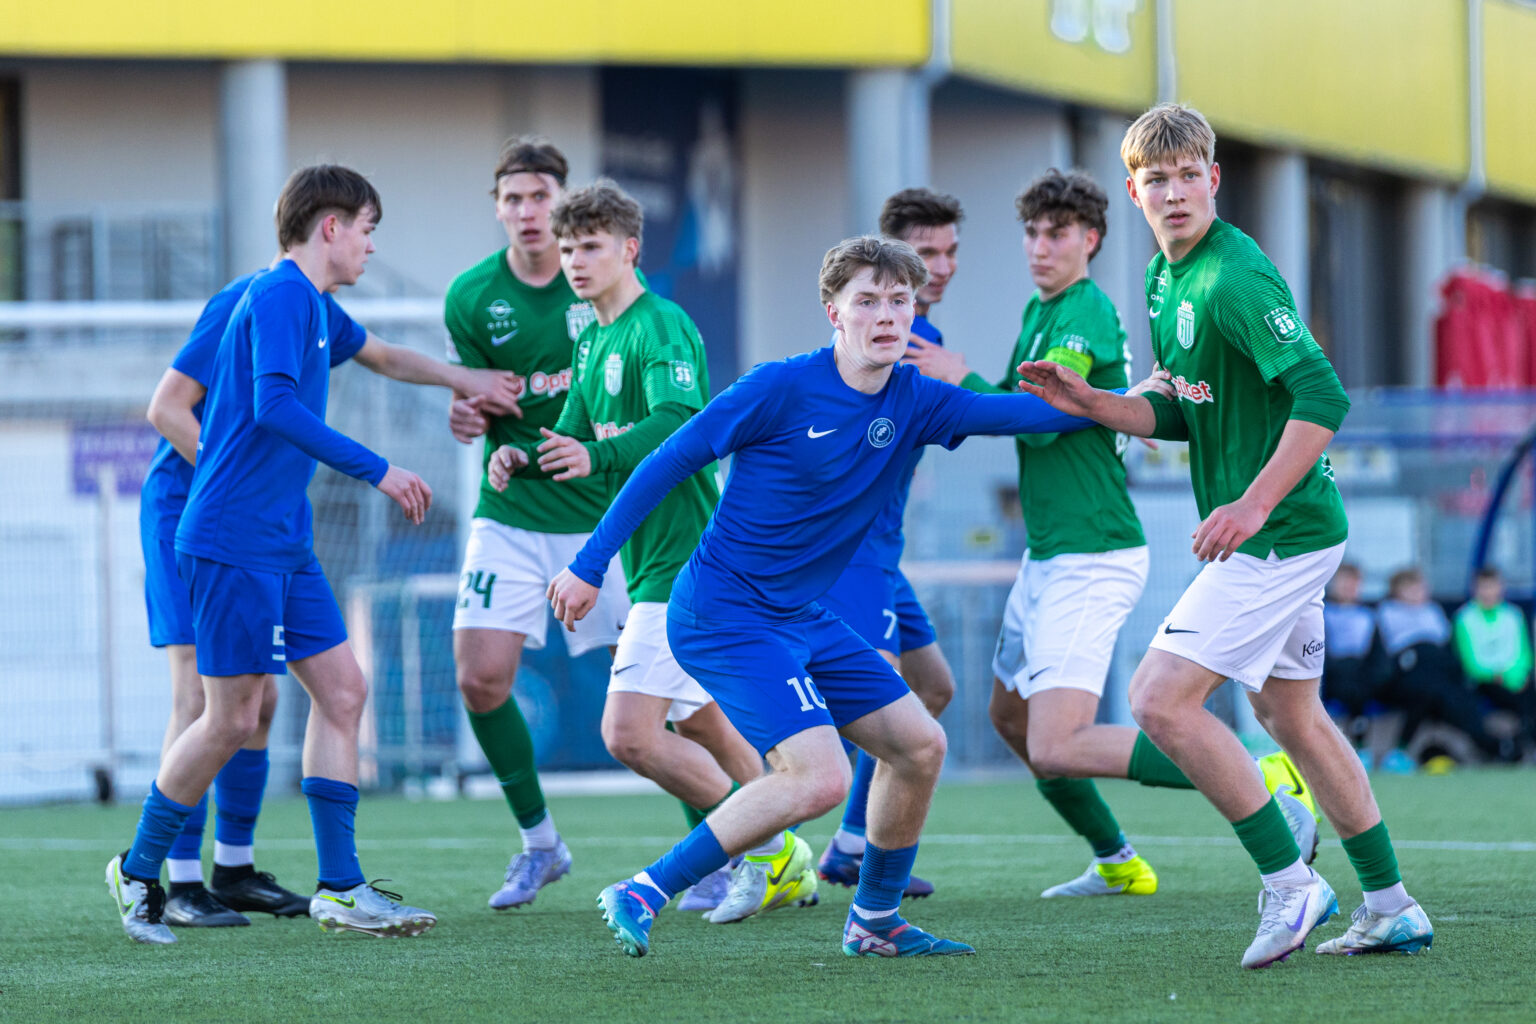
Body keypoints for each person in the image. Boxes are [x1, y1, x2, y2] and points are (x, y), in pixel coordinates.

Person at [549, 234, 1139, 959]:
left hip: (801, 617)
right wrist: (586, 564)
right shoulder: (780, 386)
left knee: (920, 744)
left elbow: (1033, 416)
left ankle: (875, 920)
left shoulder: (917, 399)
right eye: (868, 301)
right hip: (722, 612)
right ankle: (643, 889)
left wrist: (1141, 402)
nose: (888, 315)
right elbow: (667, 461)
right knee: (819, 777)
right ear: (833, 310)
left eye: (900, 301)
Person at [1014, 103, 1432, 967]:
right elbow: (1180, 407)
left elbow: (1323, 398)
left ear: (1213, 178)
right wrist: (1091, 403)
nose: (1172, 192)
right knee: (1293, 715)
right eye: (1154, 180)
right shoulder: (1170, 280)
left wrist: (1247, 506)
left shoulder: (1234, 277)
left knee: (1159, 699)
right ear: (1134, 192)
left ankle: (1290, 882)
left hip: (1281, 533)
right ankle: (1390, 904)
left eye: (1185, 175)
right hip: (1277, 531)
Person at [108, 165, 505, 943]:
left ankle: (340, 887)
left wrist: (465, 380)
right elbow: (275, 405)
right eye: (367, 229)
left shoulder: (314, 305)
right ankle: (141, 870)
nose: (369, 246)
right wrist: (381, 468)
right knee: (230, 717)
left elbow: (384, 359)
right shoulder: (279, 294)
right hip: (231, 538)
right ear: (332, 226)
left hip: (283, 541)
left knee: (344, 691)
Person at [907, 168, 1319, 900]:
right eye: (1031, 233)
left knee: (1056, 742)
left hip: (1091, 552)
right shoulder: (1045, 313)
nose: (1040, 246)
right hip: (1051, 551)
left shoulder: (1085, 312)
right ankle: (1116, 859)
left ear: (1091, 239)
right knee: (1010, 719)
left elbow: (1049, 419)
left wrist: (959, 380)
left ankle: (1264, 788)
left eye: (1057, 233)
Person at [485, 181, 766, 918]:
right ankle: (777, 839)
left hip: (686, 558)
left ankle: (770, 852)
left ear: (629, 249)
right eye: (568, 247)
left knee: (629, 735)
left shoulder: (660, 326)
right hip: (648, 560)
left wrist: (596, 462)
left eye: (591, 246)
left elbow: (681, 423)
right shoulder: (593, 339)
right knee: (700, 722)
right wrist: (522, 456)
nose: (576, 260)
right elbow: (573, 438)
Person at [444, 138, 634, 911]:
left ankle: (730, 850)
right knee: (479, 678)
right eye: (514, 198)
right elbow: (479, 397)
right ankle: (540, 845)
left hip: (602, 519)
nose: (530, 212)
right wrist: (463, 409)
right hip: (512, 511)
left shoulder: (606, 286)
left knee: (671, 698)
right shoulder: (469, 298)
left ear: (566, 202)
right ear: (498, 208)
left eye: (542, 197)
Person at [816, 187, 963, 898]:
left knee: (932, 687)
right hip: (853, 552)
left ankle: (847, 842)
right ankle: (773, 843)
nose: (940, 266)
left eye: (949, 252)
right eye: (926, 253)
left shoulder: (920, 337)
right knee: (873, 702)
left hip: (884, 550)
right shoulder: (905, 341)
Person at [1378, 567, 1507, 763]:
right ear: (1397, 591)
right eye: (1409, 588)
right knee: (1428, 691)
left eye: (1419, 587)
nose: (1416, 592)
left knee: (1456, 694)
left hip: (1439, 669)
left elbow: (1446, 646)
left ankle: (1488, 745)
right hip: (1409, 670)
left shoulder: (1433, 610)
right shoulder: (1387, 612)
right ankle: (1401, 751)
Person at [1454, 567, 1535, 755]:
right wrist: (1496, 675)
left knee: (1528, 697)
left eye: (1492, 587)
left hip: (1516, 678)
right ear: (1475, 589)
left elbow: (1525, 653)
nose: (1488, 592)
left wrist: (1516, 674)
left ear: (1501, 588)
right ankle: (1514, 747)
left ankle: (1519, 744)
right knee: (1524, 702)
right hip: (1485, 681)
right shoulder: (1464, 618)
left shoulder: (1514, 615)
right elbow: (1469, 663)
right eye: (1483, 587)